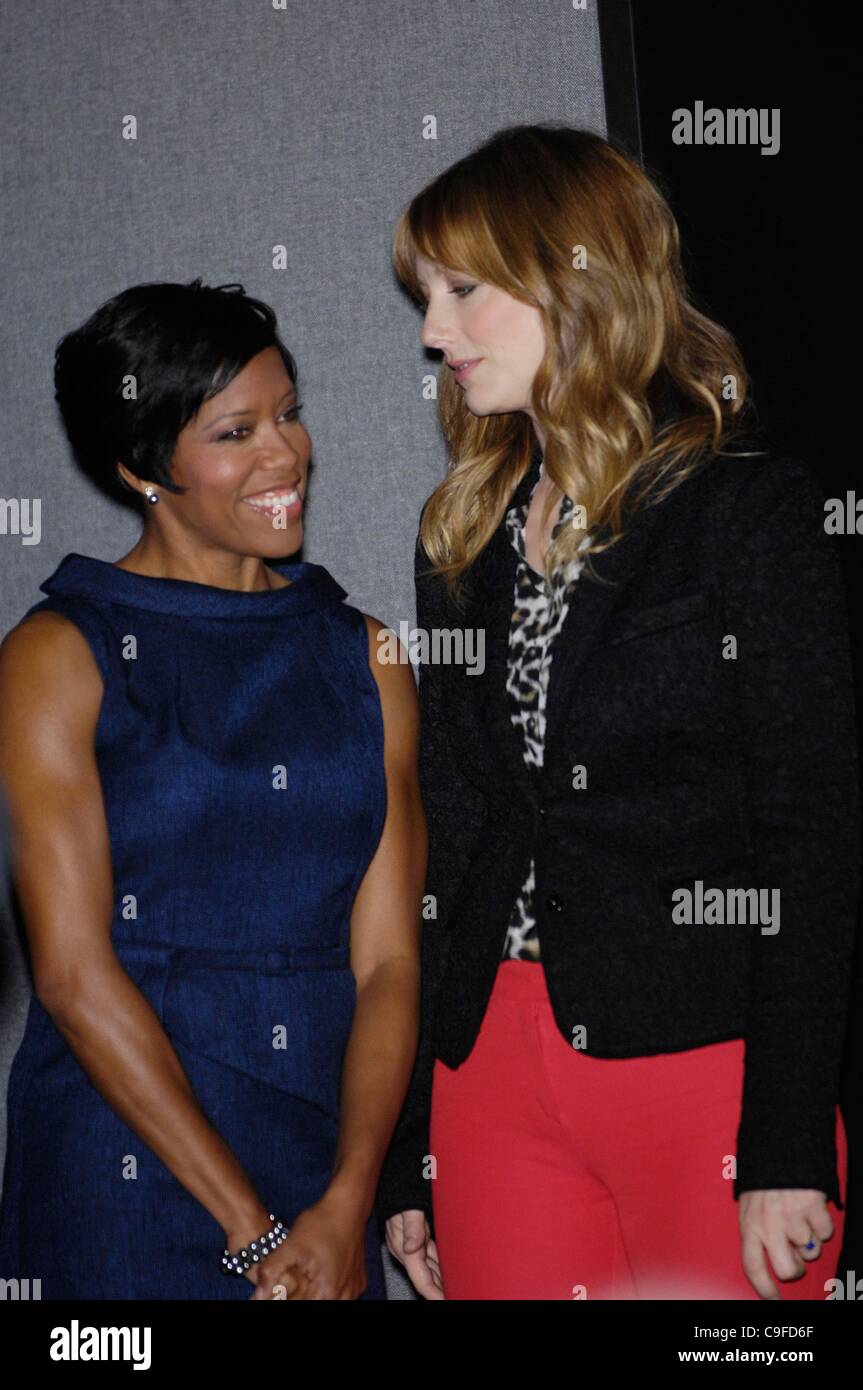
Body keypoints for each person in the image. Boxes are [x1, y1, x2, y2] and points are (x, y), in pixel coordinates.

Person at [375, 124, 859, 1301]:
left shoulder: (743, 514)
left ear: (572, 276)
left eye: (462, 289)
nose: (433, 332)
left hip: (702, 1068)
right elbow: (448, 845)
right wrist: (411, 1157)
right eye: (424, 296)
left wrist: (786, 1138)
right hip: (491, 1075)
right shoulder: (462, 540)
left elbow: (811, 833)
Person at [0, 280, 426, 1299]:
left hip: (323, 1158)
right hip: (121, 1163)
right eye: (236, 432)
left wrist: (345, 1201)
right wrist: (249, 1225)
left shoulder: (364, 654)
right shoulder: (59, 654)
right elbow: (69, 971)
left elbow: (388, 963)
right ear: (141, 468)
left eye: (288, 413)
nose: (285, 454)